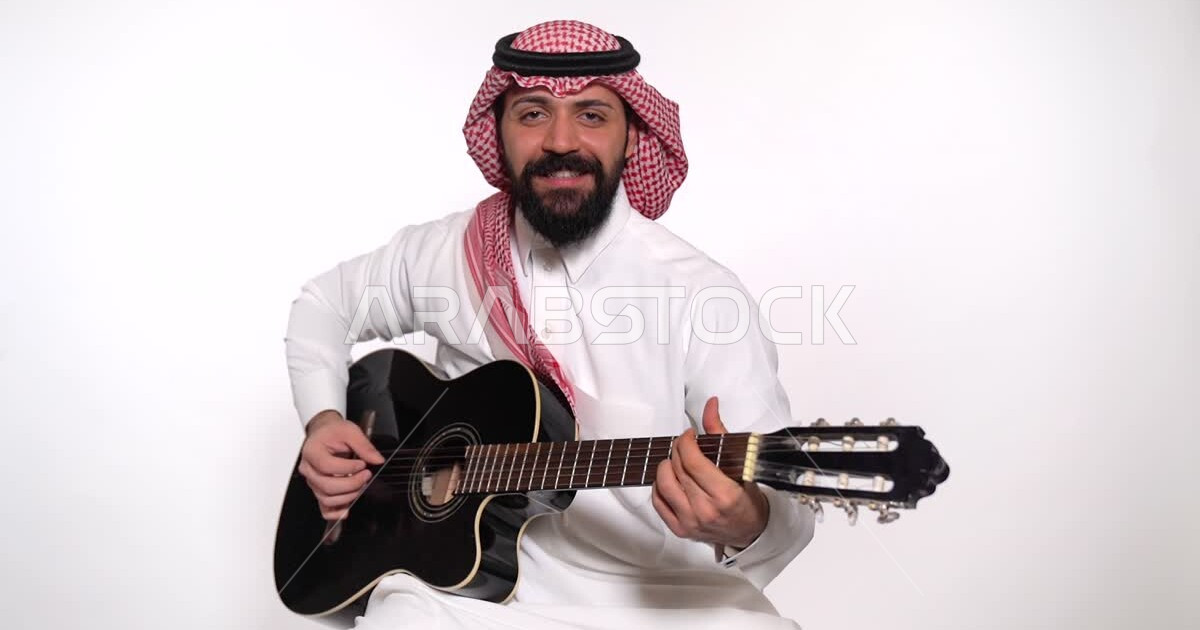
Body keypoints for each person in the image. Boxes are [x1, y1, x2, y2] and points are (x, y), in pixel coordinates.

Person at [284, 19, 816, 630]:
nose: (561, 141)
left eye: (591, 115)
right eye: (533, 114)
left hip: (655, 592)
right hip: (458, 589)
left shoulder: (701, 293)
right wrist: (324, 419)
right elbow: (321, 307)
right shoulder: (445, 252)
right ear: (501, 133)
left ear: (633, 137)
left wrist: (746, 520)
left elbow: (785, 503)